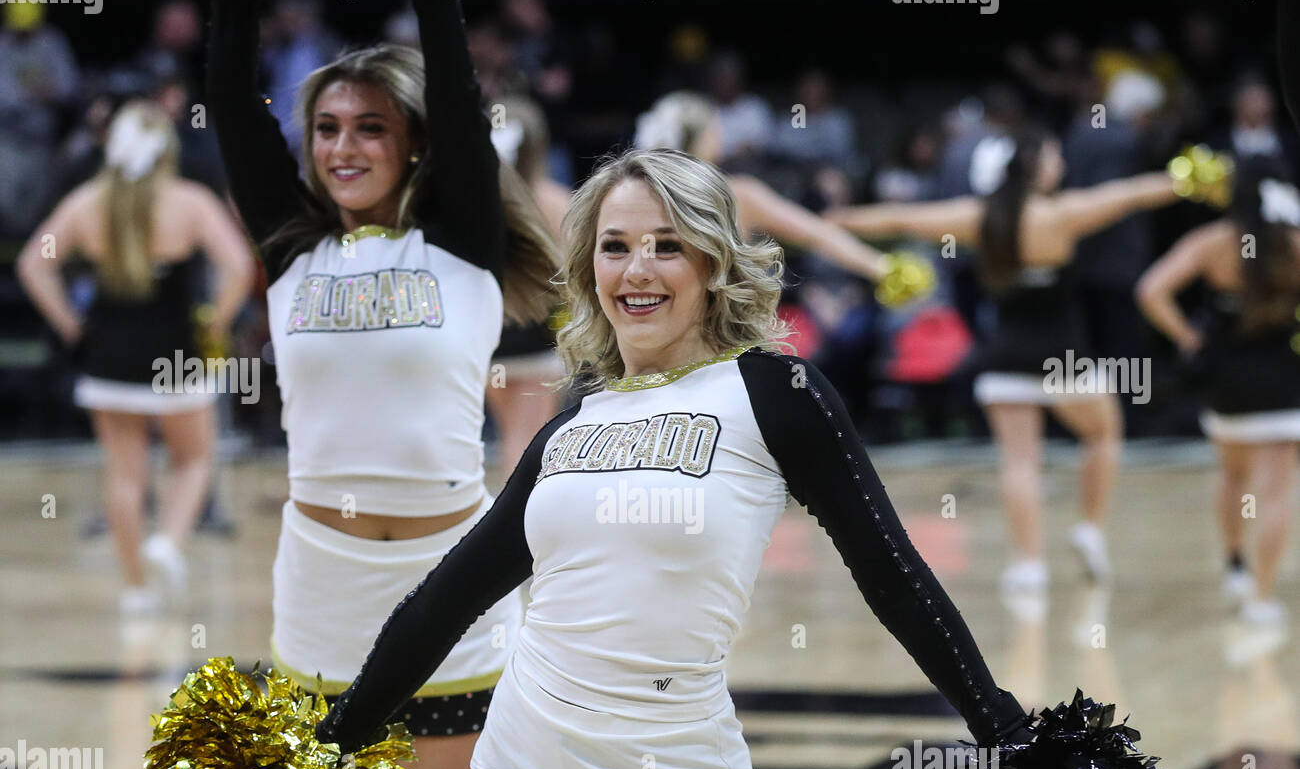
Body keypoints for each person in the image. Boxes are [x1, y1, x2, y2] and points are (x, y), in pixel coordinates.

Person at [314, 147, 1035, 769]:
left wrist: (1004, 729)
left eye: (667, 245)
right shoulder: (574, 418)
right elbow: (449, 596)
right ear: (587, 268)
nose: (638, 270)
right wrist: (335, 737)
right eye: (615, 247)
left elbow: (890, 570)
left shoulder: (775, 393)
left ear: (712, 263)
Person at [206, 0, 558, 769]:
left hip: (451, 587)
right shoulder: (289, 245)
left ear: (414, 145)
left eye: (371, 127)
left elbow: (457, 93)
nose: (343, 147)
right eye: (327, 129)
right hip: (323, 590)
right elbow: (229, 103)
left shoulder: (463, 239)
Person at [826, 129, 1186, 593]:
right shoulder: (1062, 213)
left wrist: (834, 220)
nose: (1060, 164)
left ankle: (1028, 565)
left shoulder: (980, 216)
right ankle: (1089, 528)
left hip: (1003, 359)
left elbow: (905, 218)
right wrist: (1185, 182)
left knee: (1019, 463)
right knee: (1103, 433)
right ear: (1035, 166)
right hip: (1064, 360)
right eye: (1054, 156)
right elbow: (1129, 195)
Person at [16, 100, 254, 614]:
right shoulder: (190, 201)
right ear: (166, 148)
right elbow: (238, 264)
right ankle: (167, 542)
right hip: (178, 353)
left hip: (107, 354)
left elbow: (34, 263)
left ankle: (136, 590)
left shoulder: (87, 202)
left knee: (124, 475)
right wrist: (216, 318)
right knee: (193, 459)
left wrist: (70, 325)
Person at [1136, 157, 1300, 626]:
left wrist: (1189, 337)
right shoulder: (1293, 244)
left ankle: (1235, 565)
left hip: (1227, 378)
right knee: (1277, 494)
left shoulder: (1213, 242)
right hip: (1283, 377)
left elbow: (1150, 290)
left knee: (1232, 476)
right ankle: (1261, 599)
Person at [635, 91, 892, 284]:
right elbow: (818, 234)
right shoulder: (737, 195)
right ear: (706, 137)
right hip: (724, 340)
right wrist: (881, 267)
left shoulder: (635, 199)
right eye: (716, 127)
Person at [486, 93, 571, 472]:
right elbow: (580, 277)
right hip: (539, 340)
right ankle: (516, 526)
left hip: (490, 341)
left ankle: (510, 521)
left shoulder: (478, 207)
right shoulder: (555, 202)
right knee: (528, 441)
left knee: (513, 436)